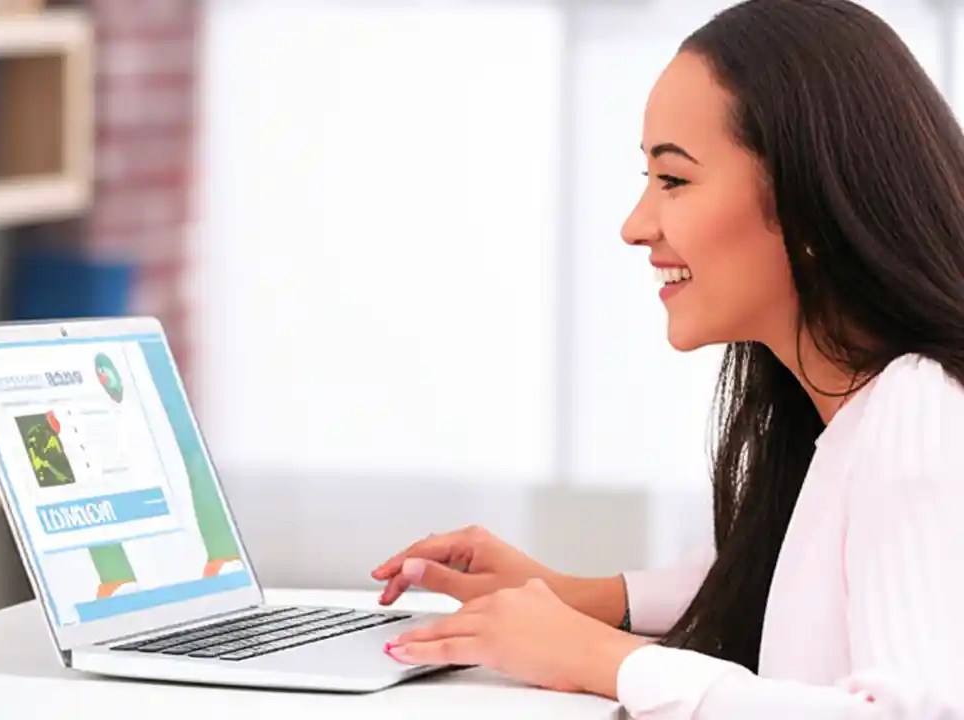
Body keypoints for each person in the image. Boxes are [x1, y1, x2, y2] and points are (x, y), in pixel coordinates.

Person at [372, 1, 964, 717]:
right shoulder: (851, 416)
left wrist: (606, 660)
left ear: (810, 198)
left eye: (673, 179)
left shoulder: (922, 404)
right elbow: (809, 577)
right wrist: (578, 600)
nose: (634, 225)